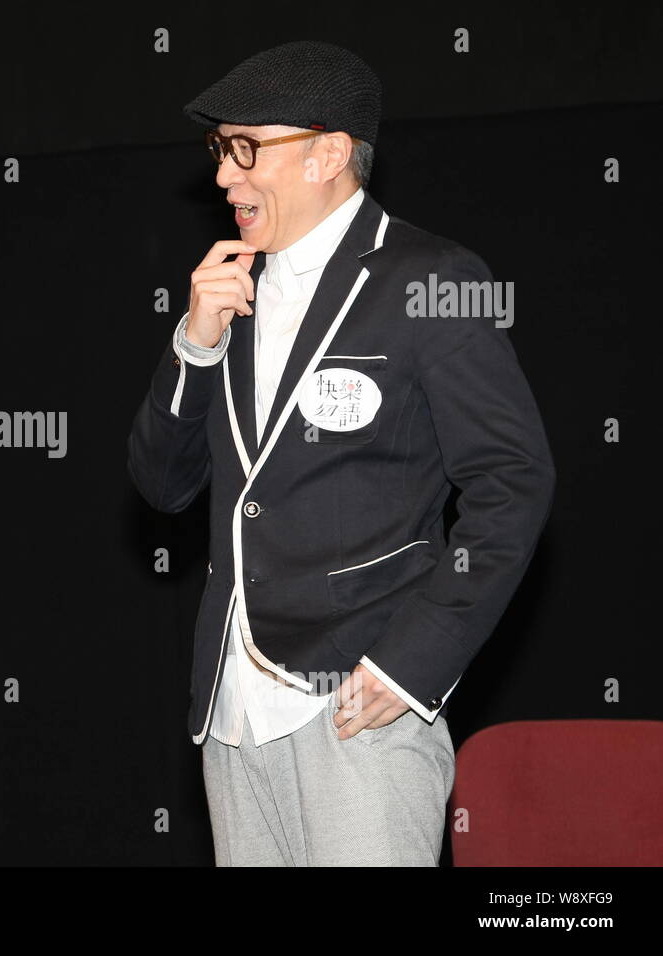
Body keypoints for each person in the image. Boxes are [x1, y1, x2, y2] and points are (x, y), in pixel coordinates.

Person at [126, 40, 555, 865]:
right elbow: (161, 486)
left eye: (247, 148)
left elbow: (513, 483)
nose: (224, 176)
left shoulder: (430, 277)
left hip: (359, 706)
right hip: (231, 714)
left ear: (328, 153)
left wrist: (414, 662)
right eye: (221, 150)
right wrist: (194, 346)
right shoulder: (231, 290)